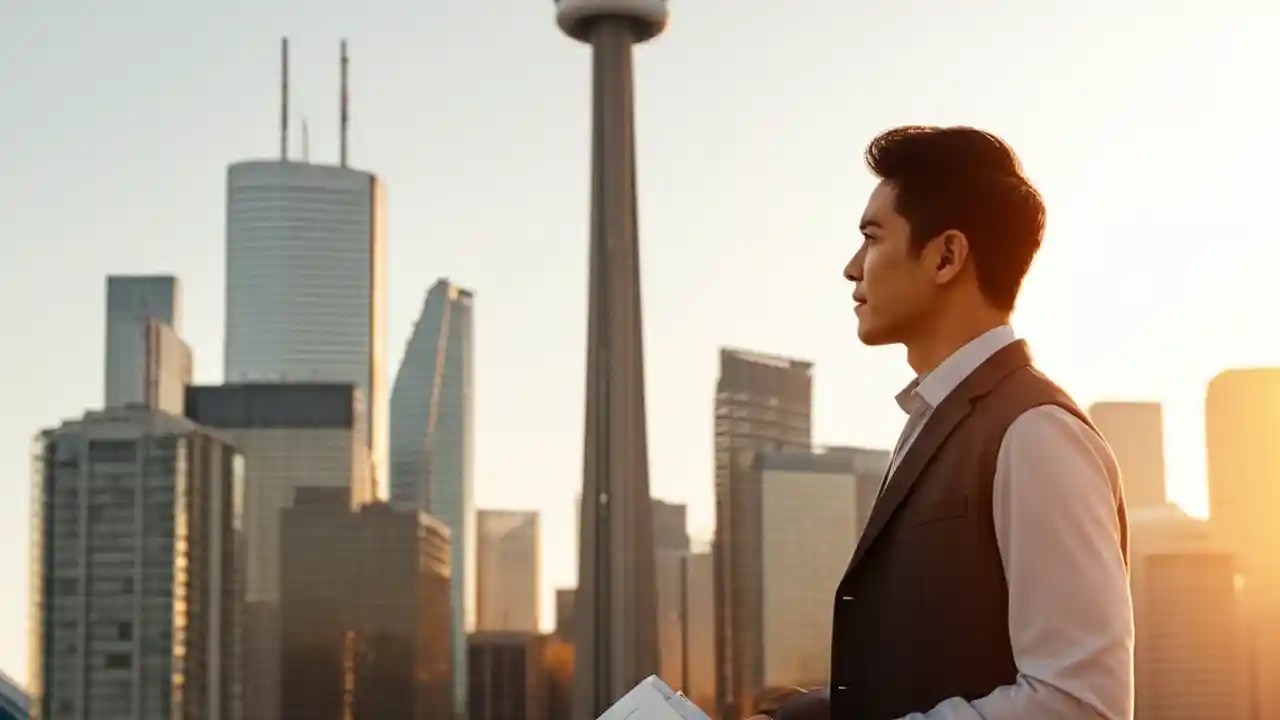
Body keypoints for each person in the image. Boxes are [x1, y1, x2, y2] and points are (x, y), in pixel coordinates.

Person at [752, 126, 1134, 720]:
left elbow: (1079, 703)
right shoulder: (933, 422)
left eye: (872, 238)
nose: (851, 269)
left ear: (947, 256)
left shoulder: (1035, 433)